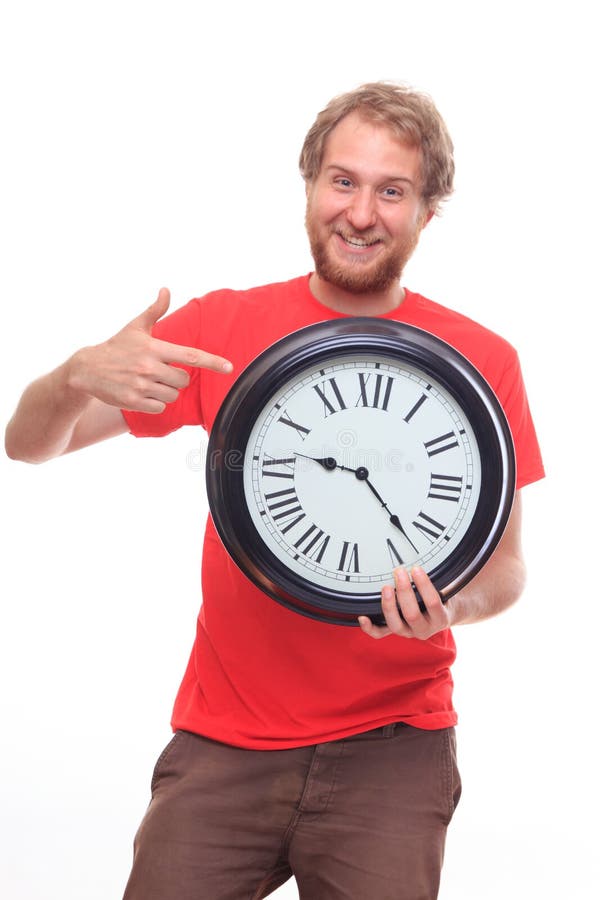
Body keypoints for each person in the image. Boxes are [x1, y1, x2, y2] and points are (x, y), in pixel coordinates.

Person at [5, 82, 544, 900]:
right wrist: (76, 375)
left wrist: (453, 604)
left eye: (391, 191)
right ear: (310, 186)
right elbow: (29, 444)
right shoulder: (220, 330)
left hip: (392, 751)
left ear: (427, 213)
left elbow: (503, 571)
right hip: (223, 744)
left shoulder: (480, 362)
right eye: (343, 181)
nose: (361, 212)